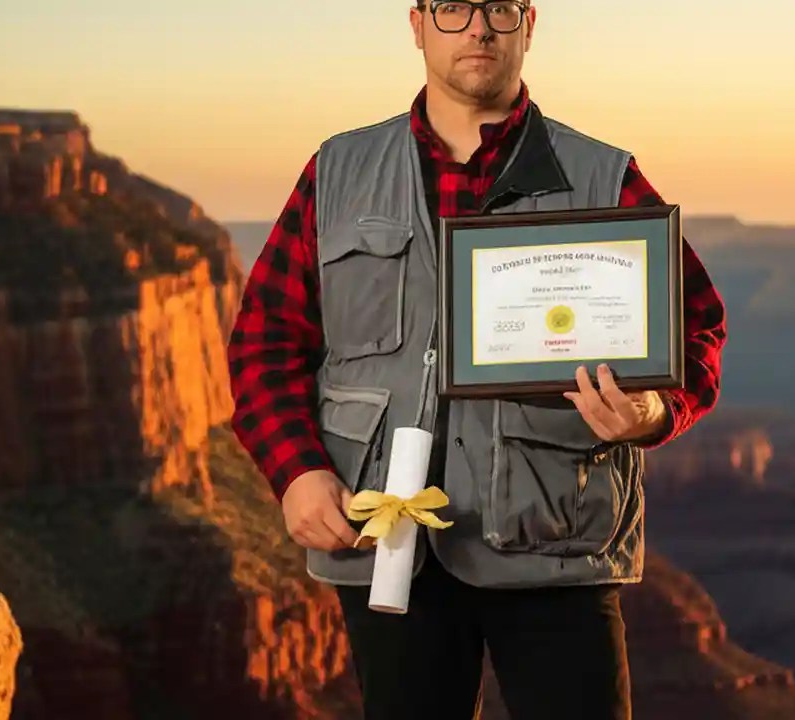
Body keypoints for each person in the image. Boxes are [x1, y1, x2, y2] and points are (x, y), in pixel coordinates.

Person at [227, 1, 727, 718]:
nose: (479, 29)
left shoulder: (603, 176)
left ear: (528, 22)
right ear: (419, 23)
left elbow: (698, 323)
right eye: (455, 8)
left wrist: (652, 412)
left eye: (498, 7)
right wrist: (297, 473)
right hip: (385, 543)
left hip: (557, 543)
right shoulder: (337, 173)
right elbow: (264, 342)